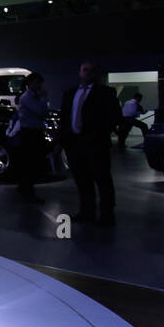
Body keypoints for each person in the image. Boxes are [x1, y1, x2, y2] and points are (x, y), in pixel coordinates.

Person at [59, 59, 121, 225]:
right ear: (80, 72)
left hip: (96, 145)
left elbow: (114, 117)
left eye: (91, 70)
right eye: (85, 70)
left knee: (102, 180)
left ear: (97, 73)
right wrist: (64, 141)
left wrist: (97, 135)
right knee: (82, 181)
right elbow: (64, 118)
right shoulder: (70, 93)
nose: (87, 73)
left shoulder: (106, 92)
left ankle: (107, 215)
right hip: (74, 145)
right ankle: (87, 212)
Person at [11, 71, 49, 201]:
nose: (39, 85)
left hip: (33, 132)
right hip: (30, 133)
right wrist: (44, 99)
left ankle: (25, 187)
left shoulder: (33, 97)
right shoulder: (27, 98)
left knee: (31, 162)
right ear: (30, 83)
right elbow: (40, 112)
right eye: (37, 82)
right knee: (30, 162)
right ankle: (27, 190)